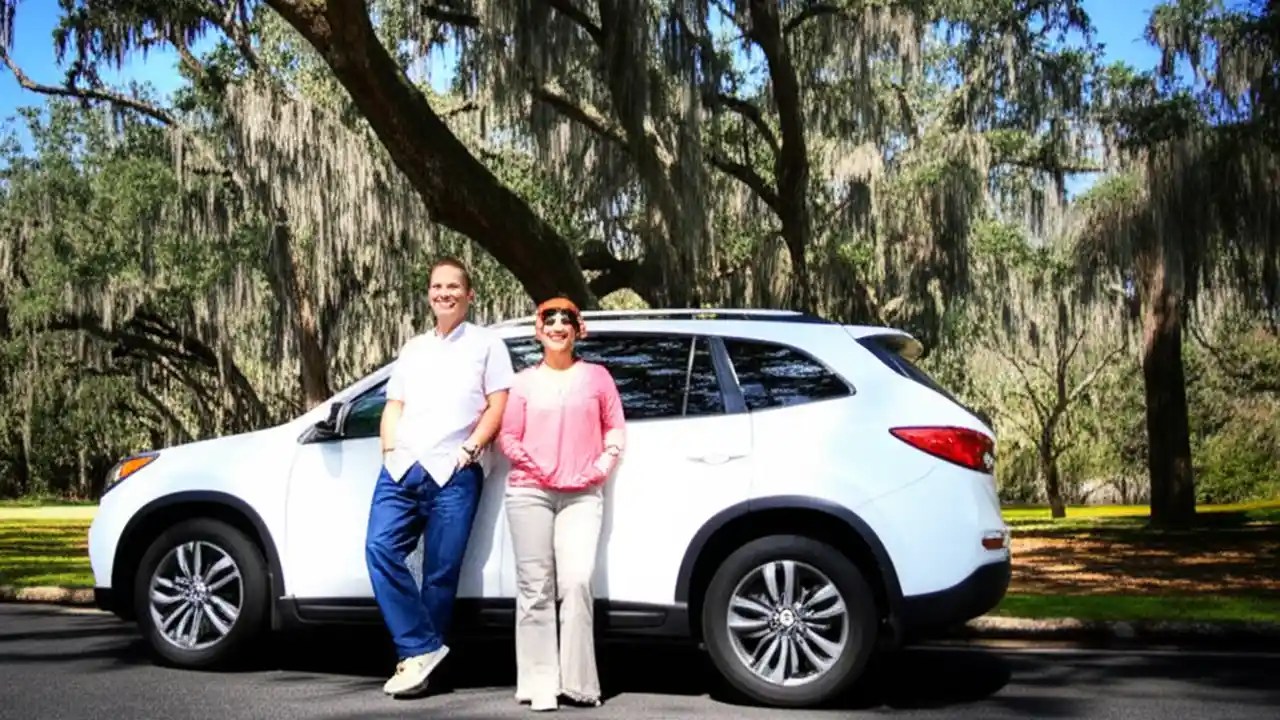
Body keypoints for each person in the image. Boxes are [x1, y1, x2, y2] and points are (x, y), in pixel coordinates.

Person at [365, 257, 514, 697]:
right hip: (401, 467)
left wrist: (471, 449)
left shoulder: (488, 345)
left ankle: (419, 668)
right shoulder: (413, 348)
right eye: (436, 286)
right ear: (429, 294)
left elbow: (498, 403)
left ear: (469, 295)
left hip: (455, 469)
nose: (444, 293)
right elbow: (394, 404)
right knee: (379, 547)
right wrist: (390, 448)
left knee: (440, 573)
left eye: (453, 286)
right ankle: (422, 647)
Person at [497, 296, 625, 711]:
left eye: (564, 320)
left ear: (577, 329)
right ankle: (539, 684)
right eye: (548, 320)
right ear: (539, 330)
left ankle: (580, 683)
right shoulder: (522, 383)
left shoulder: (598, 378)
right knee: (534, 589)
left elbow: (615, 431)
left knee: (576, 581)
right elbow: (508, 437)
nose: (556, 326)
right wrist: (541, 468)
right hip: (530, 491)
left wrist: (599, 468)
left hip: (583, 494)